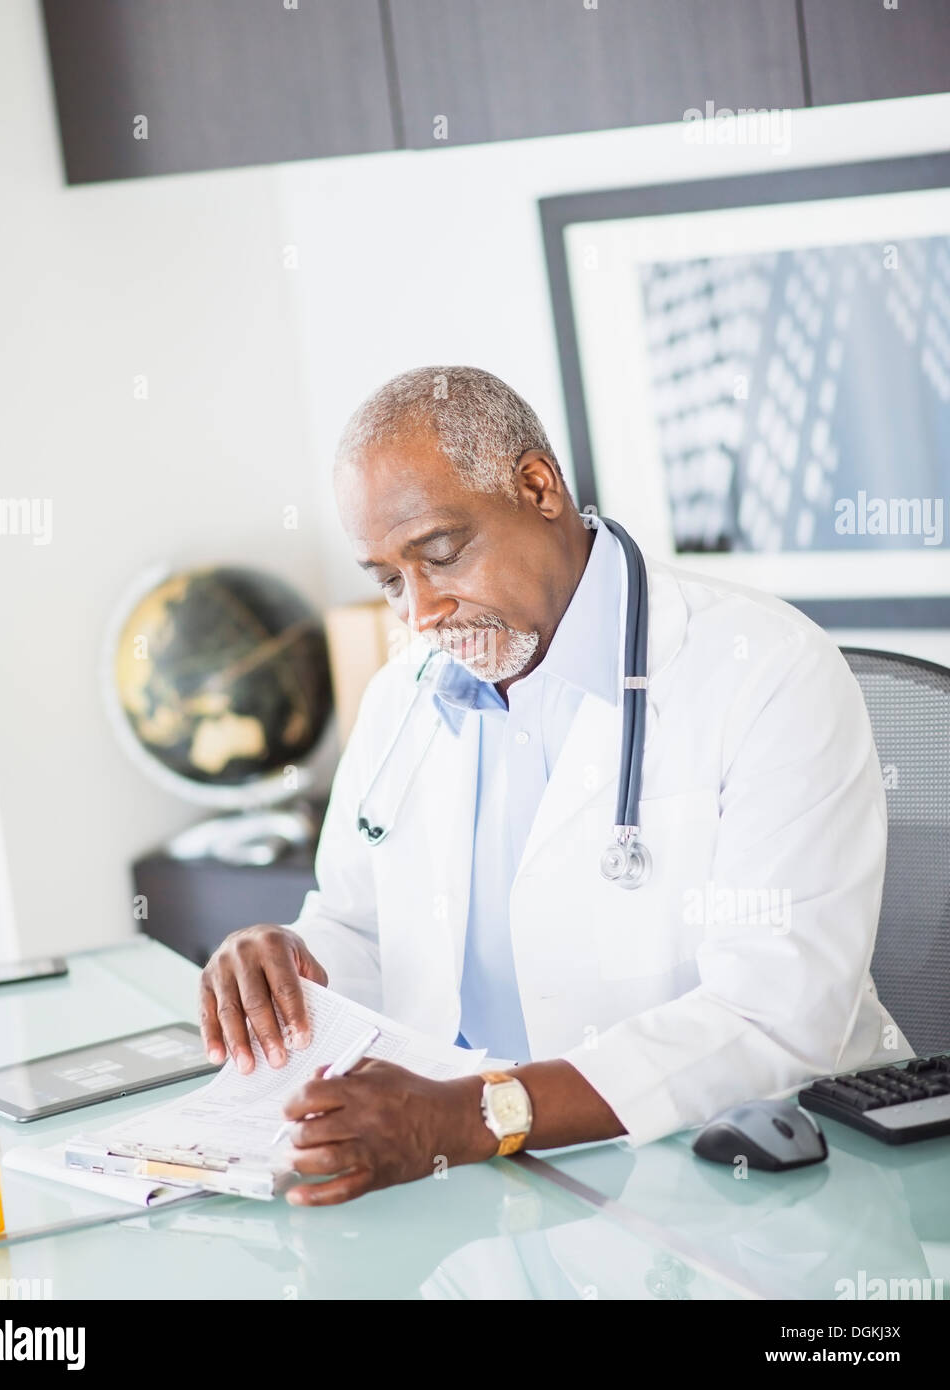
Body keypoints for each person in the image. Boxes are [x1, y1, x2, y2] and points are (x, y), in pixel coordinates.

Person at [200, 365, 910, 1206]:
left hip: (754, 1184)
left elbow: (777, 1016)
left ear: (537, 486)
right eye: (389, 580)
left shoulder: (767, 670)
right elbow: (360, 923)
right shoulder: (405, 692)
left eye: (439, 553)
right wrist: (292, 961)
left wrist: (476, 1115)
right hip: (496, 1191)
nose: (420, 611)